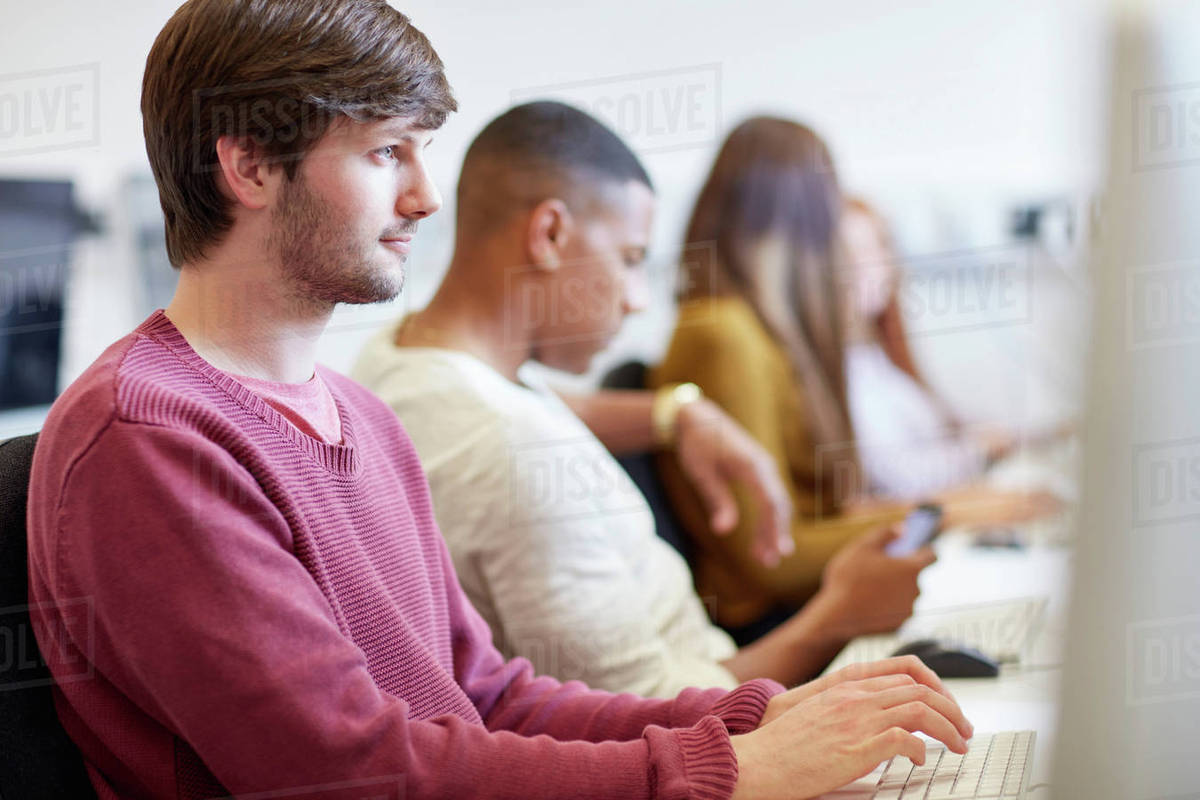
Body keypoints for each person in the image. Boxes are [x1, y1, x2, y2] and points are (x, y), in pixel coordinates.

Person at [25, 4, 972, 798]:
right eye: (388, 153)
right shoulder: (147, 439)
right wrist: (724, 767)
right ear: (251, 168)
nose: (427, 198)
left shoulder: (360, 416)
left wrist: (757, 713)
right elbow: (351, 774)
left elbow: (488, 695)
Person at [352, 102, 933, 698]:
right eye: (630, 260)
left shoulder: (397, 358)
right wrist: (839, 617)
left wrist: (678, 414)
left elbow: (523, 405)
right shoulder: (513, 452)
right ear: (550, 235)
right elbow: (655, 716)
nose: (637, 300)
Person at [650, 117, 1060, 642]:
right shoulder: (722, 333)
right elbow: (774, 559)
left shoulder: (762, 331)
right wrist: (949, 514)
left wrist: (956, 508)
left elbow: (830, 510)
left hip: (811, 602)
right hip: (771, 625)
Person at [839, 196, 1016, 499]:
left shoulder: (877, 355)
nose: (864, 267)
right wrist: (979, 448)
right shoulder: (842, 369)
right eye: (848, 254)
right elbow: (898, 480)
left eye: (874, 249)